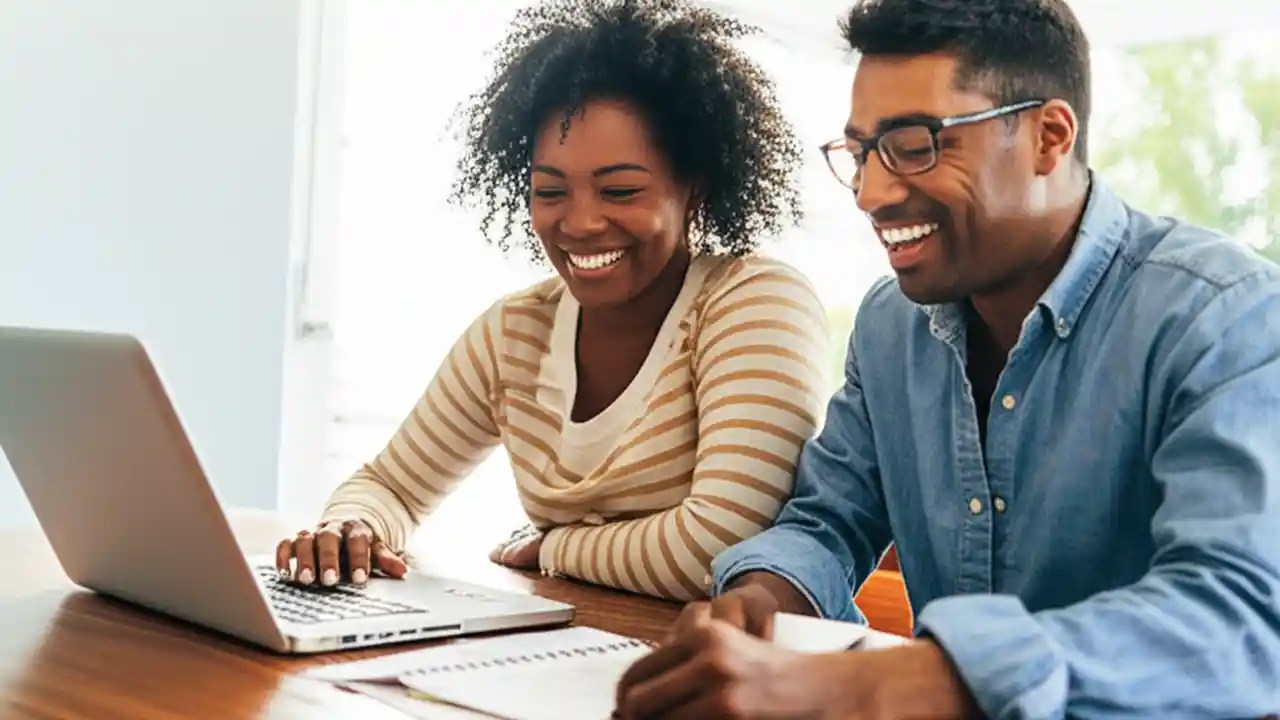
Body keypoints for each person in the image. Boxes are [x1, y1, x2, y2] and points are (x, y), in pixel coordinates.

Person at [616, 0, 1280, 717]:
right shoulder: (888, 325)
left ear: (1048, 137)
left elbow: (1241, 618)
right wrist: (757, 601)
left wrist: (884, 684)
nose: (871, 192)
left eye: (914, 143)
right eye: (862, 152)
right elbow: (828, 518)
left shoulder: (1226, 318)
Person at [273, 0, 829, 603]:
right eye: (550, 190)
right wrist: (351, 528)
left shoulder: (755, 302)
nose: (581, 222)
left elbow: (719, 547)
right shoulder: (516, 333)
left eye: (620, 190)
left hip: (750, 679)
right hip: (581, 661)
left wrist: (553, 548)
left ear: (694, 186)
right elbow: (391, 486)